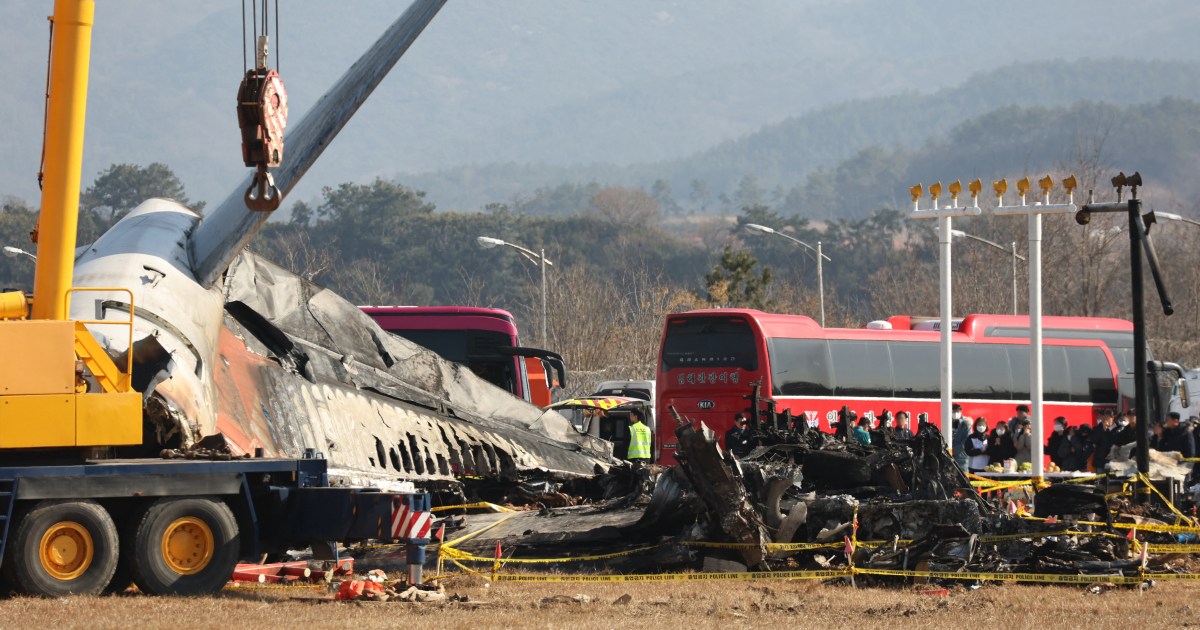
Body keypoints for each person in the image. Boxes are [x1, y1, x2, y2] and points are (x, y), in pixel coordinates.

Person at [951, 403, 972, 470]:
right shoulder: (947, 422)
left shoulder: (966, 423)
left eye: (957, 412)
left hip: (961, 457)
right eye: (953, 412)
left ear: (961, 412)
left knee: (962, 475)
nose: (955, 414)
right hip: (948, 456)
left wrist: (953, 450)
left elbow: (966, 440)